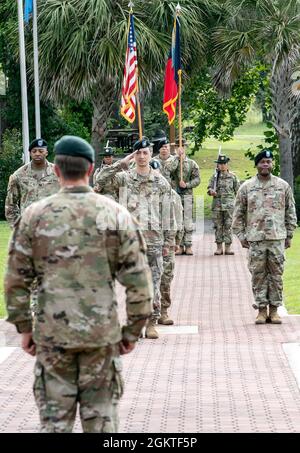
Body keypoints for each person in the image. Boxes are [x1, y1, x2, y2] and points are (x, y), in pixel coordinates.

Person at [4, 135, 153, 433]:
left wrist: (25, 328)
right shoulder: (115, 215)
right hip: (101, 338)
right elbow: (139, 284)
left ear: (56, 171)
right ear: (91, 168)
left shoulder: (34, 216)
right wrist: (132, 332)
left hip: (52, 337)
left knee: (55, 424)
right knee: (101, 424)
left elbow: (16, 281)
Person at [94, 137, 176, 339]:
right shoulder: (123, 178)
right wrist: (120, 164)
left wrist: (169, 241)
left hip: (155, 241)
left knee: (153, 284)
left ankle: (151, 322)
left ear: (150, 154)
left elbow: (168, 214)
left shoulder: (160, 182)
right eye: (137, 153)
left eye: (145, 152)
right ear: (133, 155)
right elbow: (100, 181)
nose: (141, 156)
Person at [232, 149, 297, 325]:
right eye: (262, 162)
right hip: (256, 239)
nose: (265, 165)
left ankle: (274, 310)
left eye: (268, 162)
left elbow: (290, 211)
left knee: (276, 274)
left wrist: (289, 234)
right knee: (258, 275)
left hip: (277, 238)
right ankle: (261, 310)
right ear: (257, 165)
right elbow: (237, 213)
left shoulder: (282, 186)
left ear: (272, 164)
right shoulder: (246, 187)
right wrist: (240, 235)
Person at [5, 138, 59, 228]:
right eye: (34, 151)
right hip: (28, 227)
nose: (37, 153)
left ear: (46, 153)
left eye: (41, 151)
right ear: (30, 153)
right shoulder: (19, 175)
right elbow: (10, 204)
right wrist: (16, 226)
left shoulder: (58, 173)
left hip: (53, 226)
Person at [171, 139, 200, 256]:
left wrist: (187, 184)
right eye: (177, 146)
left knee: (187, 220)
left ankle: (188, 245)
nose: (180, 148)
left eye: (182, 146)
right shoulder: (171, 162)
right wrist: (177, 159)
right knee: (177, 220)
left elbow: (198, 179)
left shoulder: (192, 163)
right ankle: (179, 245)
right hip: (175, 195)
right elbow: (167, 171)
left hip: (187, 195)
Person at [207, 154, 239, 255]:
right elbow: (209, 188)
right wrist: (211, 191)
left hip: (229, 206)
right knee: (218, 226)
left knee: (228, 226)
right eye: (220, 164)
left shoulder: (233, 177)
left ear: (227, 164)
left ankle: (228, 247)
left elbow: (238, 191)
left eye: (224, 164)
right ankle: (219, 247)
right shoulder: (215, 177)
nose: (222, 166)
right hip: (217, 205)